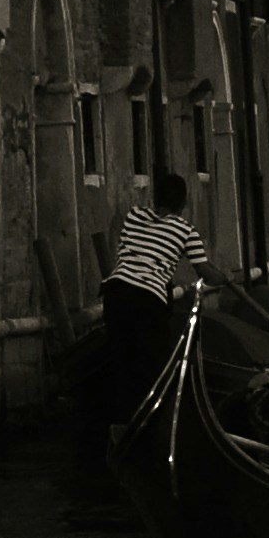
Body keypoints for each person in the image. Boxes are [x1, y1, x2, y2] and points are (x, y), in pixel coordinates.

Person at [103, 170, 210, 424]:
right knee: (153, 369)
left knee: (121, 364)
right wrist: (227, 277)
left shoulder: (134, 215)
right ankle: (150, 423)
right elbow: (206, 272)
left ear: (154, 199)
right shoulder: (186, 231)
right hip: (148, 300)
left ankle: (121, 423)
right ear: (183, 204)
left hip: (115, 293)